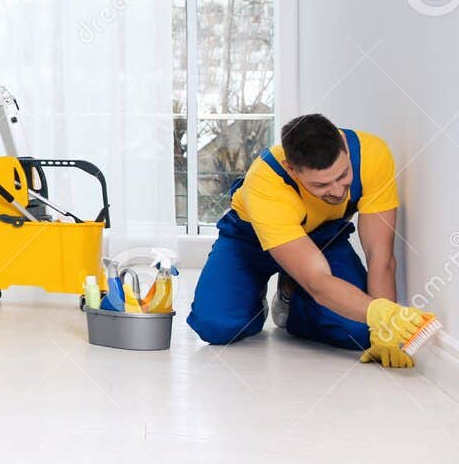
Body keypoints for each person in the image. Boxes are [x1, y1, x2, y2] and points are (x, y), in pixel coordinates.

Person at [187, 113, 437, 367]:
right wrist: (380, 313)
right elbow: (318, 281)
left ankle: (291, 296)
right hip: (248, 241)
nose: (338, 191)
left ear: (345, 149)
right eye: (322, 185)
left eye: (343, 176)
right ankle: (253, 297)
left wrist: (385, 334)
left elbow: (380, 255)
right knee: (216, 326)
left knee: (361, 331)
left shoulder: (373, 154)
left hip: (323, 238)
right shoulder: (265, 184)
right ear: (291, 169)